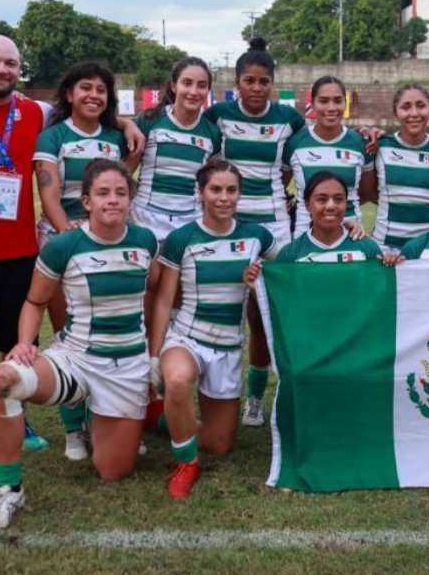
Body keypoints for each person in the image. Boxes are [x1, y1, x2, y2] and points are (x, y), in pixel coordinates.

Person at [0, 35, 145, 465]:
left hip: (20, 253)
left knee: (29, 342)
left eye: (9, 63)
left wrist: (128, 123)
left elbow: (93, 111)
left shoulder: (35, 113)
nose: (1, 70)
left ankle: (25, 416)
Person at [0, 159, 158, 529]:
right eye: (103, 193)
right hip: (74, 359)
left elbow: (156, 292)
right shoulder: (63, 246)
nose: (113, 200)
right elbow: (34, 301)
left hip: (127, 369)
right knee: (2, 383)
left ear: (130, 200)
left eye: (121, 193)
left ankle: (95, 414)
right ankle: (9, 489)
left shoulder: (146, 242)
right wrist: (24, 344)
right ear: (87, 201)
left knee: (113, 471)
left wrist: (157, 355)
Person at [150, 159, 276, 498]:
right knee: (176, 380)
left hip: (229, 345)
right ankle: (186, 463)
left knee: (220, 445)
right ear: (201, 192)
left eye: (231, 190)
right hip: (187, 338)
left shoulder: (257, 237)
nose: (224, 197)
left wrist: (260, 279)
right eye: (215, 189)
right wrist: (153, 354)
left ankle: (164, 420)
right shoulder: (182, 238)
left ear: (240, 194)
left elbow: (286, 273)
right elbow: (163, 300)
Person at [32, 61, 137, 462]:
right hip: (65, 242)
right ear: (69, 94)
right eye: (85, 88)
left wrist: (128, 125)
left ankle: (104, 419)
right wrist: (74, 239)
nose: (94, 95)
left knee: (109, 329)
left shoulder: (115, 137)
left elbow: (121, 187)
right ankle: (74, 429)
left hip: (110, 244)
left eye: (101, 90)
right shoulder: (53, 136)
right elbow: (50, 197)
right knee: (68, 334)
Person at [202, 39, 304, 428]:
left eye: (264, 82)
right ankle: (214, 392)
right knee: (222, 307)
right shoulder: (219, 115)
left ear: (272, 84)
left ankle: (257, 399)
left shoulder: (288, 120)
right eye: (249, 81)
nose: (257, 88)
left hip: (274, 225)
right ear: (237, 82)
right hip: (226, 225)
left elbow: (297, 160)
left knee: (263, 315)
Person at [132, 56, 222, 243]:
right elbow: (125, 171)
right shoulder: (150, 120)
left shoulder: (212, 132)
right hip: (144, 221)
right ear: (173, 85)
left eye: (201, 85)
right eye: (187, 83)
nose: (194, 91)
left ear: (208, 90)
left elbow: (209, 181)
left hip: (190, 224)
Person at [363, 84, 429, 253]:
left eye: (421, 106)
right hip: (385, 249)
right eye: (406, 107)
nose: (414, 113)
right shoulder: (380, 146)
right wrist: (363, 130)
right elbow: (368, 191)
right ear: (395, 113)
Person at [283, 75, 373, 238]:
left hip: (351, 234)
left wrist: (337, 211)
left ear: (345, 104)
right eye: (324, 101)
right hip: (305, 235)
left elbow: (367, 192)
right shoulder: (295, 143)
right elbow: (280, 184)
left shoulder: (360, 142)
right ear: (313, 104)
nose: (331, 107)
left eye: (338, 101)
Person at [272, 172, 387, 264]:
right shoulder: (290, 254)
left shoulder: (368, 248)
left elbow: (381, 288)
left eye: (338, 199)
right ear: (307, 205)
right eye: (322, 199)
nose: (331, 206)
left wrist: (391, 265)